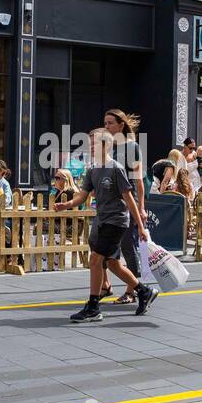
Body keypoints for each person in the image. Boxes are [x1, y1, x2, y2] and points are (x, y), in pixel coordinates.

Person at [55, 129, 157, 322]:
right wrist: (66, 205)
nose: (91, 147)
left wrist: (141, 227)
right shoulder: (93, 170)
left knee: (95, 259)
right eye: (90, 144)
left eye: (94, 144)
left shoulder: (116, 168)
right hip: (102, 221)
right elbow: (82, 195)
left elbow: (129, 198)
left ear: (106, 145)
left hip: (117, 221)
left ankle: (93, 307)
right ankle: (144, 291)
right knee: (112, 264)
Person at [105, 109, 146, 306]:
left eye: (110, 123)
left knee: (128, 247)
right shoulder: (111, 148)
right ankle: (106, 284)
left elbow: (139, 181)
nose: (107, 127)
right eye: (105, 123)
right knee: (104, 246)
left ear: (121, 125)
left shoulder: (132, 147)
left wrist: (141, 208)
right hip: (113, 202)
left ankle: (132, 290)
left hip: (128, 201)